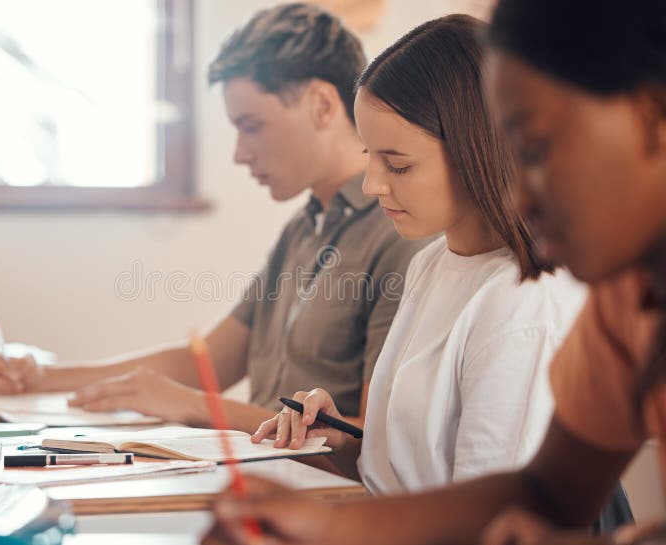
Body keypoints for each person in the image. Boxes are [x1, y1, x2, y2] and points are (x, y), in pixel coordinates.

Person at [202, 1, 665, 544]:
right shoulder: (624, 300)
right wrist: (331, 520)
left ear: (652, 115)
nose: (518, 191)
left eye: (537, 149)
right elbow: (545, 491)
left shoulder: (525, 299)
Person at [0, 3, 431, 433]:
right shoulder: (305, 227)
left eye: (252, 126)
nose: (240, 153)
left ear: (322, 105)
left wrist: (195, 407)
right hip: (265, 475)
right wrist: (38, 379)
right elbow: (209, 363)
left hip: (317, 497)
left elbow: (374, 443)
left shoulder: (397, 235)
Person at [250, 14, 586, 494]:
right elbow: (404, 477)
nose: (372, 185)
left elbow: (483, 516)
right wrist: (343, 443)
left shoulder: (521, 301)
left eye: (399, 165)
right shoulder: (432, 262)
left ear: (477, 150)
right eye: (370, 156)